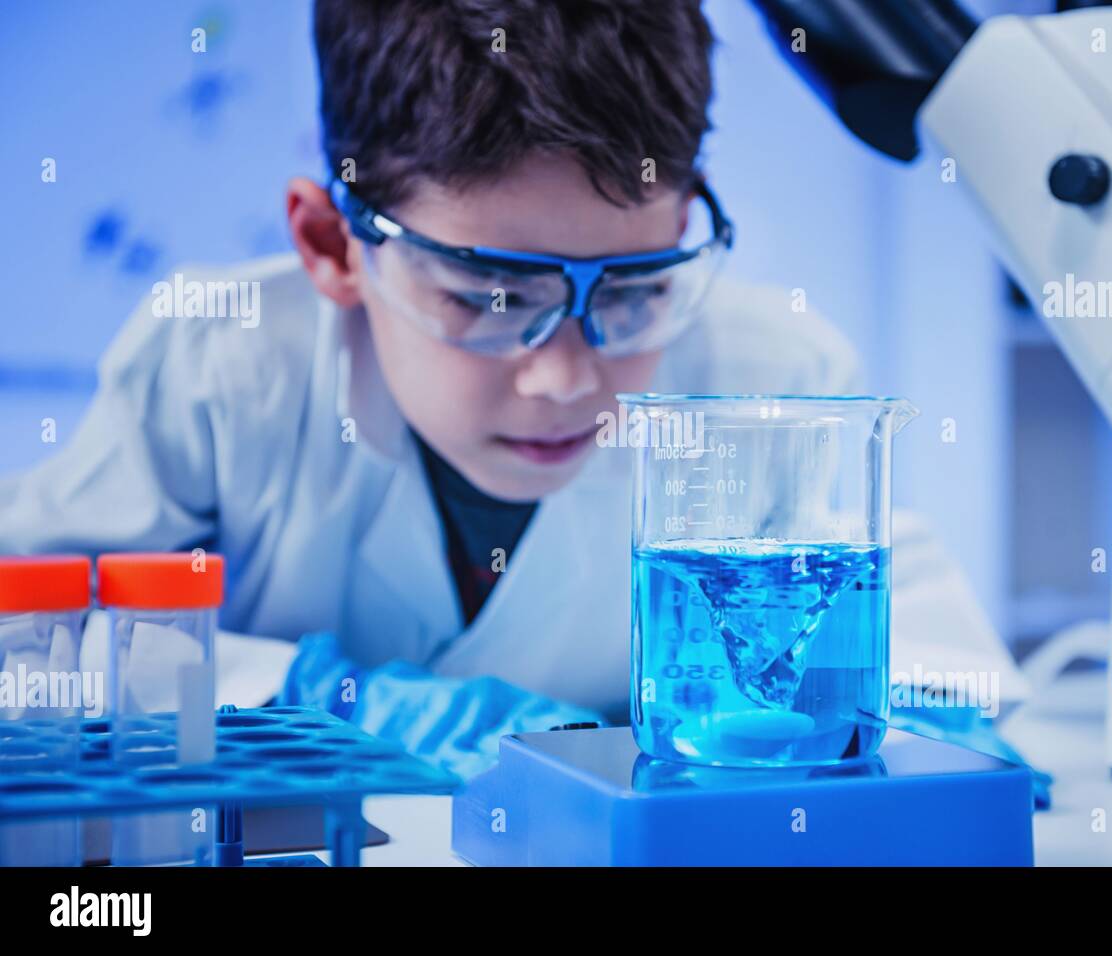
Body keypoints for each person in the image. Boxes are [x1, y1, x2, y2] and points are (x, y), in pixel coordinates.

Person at [0, 0, 1012, 777]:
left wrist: (913, 726)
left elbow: (936, 664)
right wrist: (307, 695)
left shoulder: (766, 378)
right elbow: (27, 648)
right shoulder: (222, 366)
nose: (567, 376)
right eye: (488, 293)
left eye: (637, 285)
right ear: (330, 242)